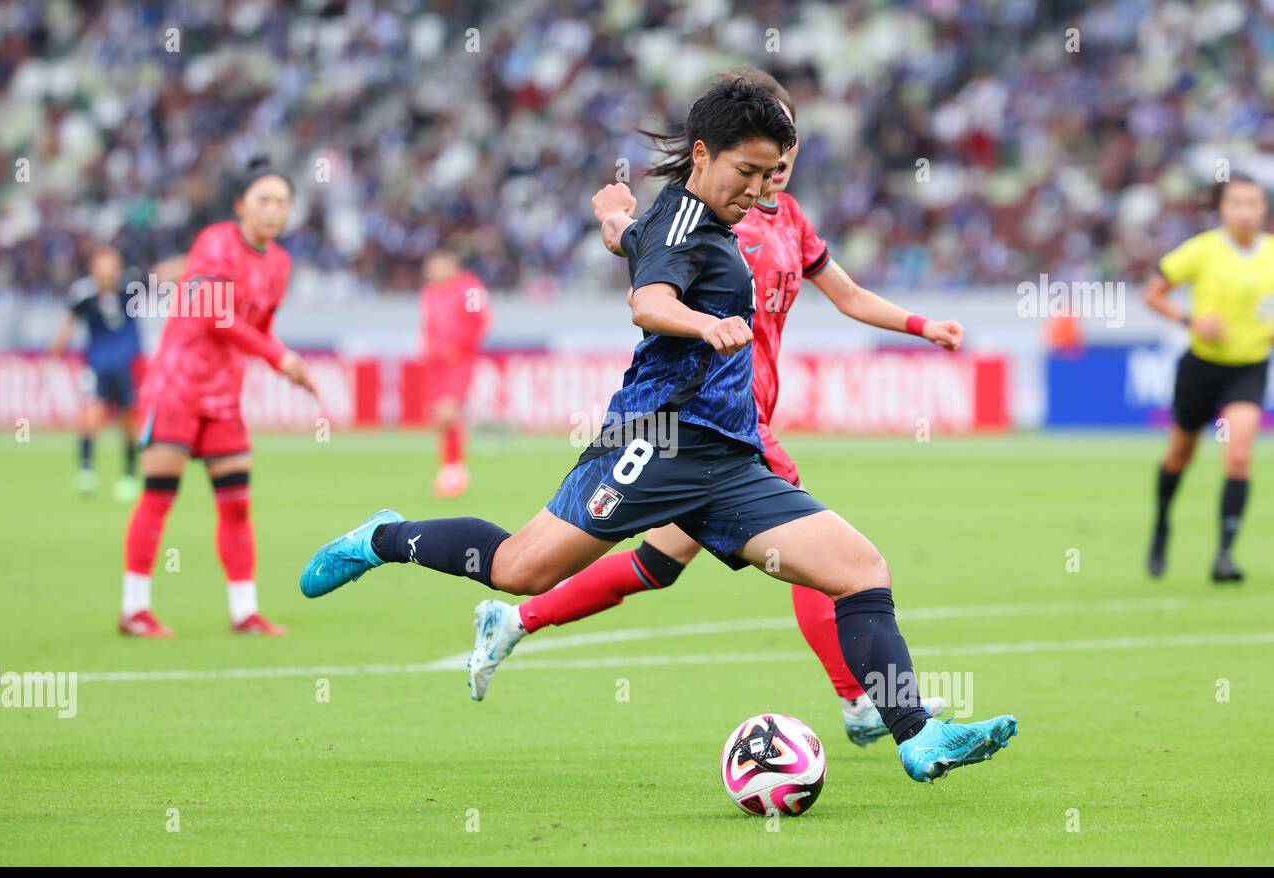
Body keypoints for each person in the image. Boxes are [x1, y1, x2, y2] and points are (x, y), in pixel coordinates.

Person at [300, 77, 1017, 784]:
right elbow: (650, 301)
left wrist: (618, 230)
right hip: (657, 441)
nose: (762, 188)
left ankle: (917, 735)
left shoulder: (713, 219)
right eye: (749, 171)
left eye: (773, 173)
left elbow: (648, 250)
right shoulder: (684, 218)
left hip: (731, 458)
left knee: (860, 570)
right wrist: (705, 321)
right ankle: (383, 538)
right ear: (703, 155)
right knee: (520, 569)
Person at [466, 68, 964, 749]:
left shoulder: (787, 221)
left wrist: (919, 324)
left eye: (784, 157)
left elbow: (846, 295)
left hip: (730, 427)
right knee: (826, 559)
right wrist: (619, 227)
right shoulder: (707, 215)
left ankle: (517, 620)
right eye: (761, 158)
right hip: (709, 423)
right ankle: (860, 702)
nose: (775, 170)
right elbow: (649, 260)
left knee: (657, 566)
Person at [119, 157, 318, 638]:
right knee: (159, 495)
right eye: (264, 200)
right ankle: (134, 608)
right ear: (240, 206)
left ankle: (244, 612)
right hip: (178, 386)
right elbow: (216, 317)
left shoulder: (280, 263)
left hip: (224, 397)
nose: (273, 211)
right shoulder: (214, 244)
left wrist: (279, 363)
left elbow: (259, 327)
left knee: (236, 504)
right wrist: (278, 356)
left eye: (282, 203)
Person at [1142, 173, 1274, 582]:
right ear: (1222, 208)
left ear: (1263, 209)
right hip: (1202, 366)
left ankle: (1224, 555)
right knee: (1180, 455)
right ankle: (1162, 525)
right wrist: (1191, 320)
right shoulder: (1203, 250)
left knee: (1238, 456)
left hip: (1249, 367)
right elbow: (1153, 292)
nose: (1245, 211)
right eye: (1236, 203)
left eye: (1252, 203)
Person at [50, 245, 143, 502]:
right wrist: (51, 359)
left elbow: (162, 277)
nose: (107, 271)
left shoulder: (131, 285)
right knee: (91, 415)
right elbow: (68, 325)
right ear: (93, 267)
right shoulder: (83, 293)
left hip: (127, 365)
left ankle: (128, 475)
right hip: (96, 365)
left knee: (129, 423)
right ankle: (86, 471)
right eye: (102, 265)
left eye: (112, 264)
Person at [420, 249, 492, 496]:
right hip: (435, 362)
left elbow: (482, 322)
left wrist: (458, 346)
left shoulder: (470, 288)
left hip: (460, 361)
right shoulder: (430, 291)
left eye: (434, 265)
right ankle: (449, 468)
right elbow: (429, 326)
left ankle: (455, 471)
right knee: (439, 418)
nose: (429, 271)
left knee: (450, 412)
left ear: (450, 262)